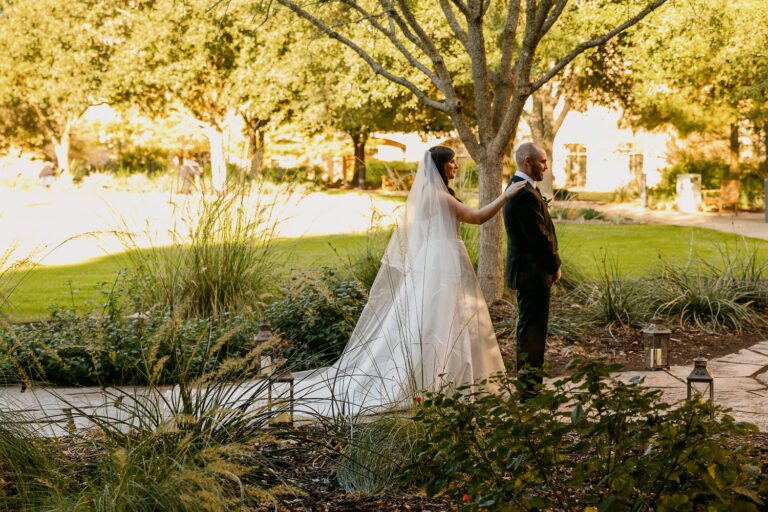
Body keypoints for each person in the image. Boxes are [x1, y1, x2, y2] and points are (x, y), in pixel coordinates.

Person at [292, 147, 526, 417]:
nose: (455, 167)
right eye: (451, 163)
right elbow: (478, 217)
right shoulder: (440, 197)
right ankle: (444, 379)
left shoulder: (426, 196)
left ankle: (455, 376)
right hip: (445, 258)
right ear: (440, 166)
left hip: (433, 258)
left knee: (435, 315)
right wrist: (505, 195)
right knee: (446, 315)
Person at [502, 142, 561, 400]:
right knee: (531, 332)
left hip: (532, 272)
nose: (546, 166)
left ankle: (531, 388)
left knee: (532, 330)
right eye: (543, 161)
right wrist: (555, 263)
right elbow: (539, 237)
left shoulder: (524, 188)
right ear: (528, 161)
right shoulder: (523, 192)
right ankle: (529, 392)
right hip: (532, 272)